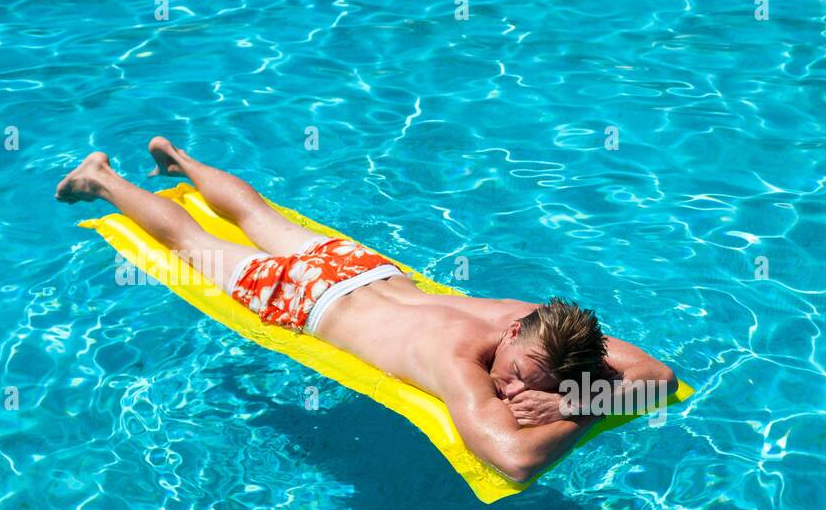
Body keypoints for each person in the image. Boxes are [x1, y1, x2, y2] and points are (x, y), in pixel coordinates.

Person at [57, 139, 676, 481]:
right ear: (514, 332)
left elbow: (660, 375)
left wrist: (571, 395)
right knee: (191, 243)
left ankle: (179, 161)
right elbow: (512, 461)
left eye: (528, 386)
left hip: (363, 268)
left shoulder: (537, 319)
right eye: (515, 372)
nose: (510, 388)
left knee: (257, 214)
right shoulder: (460, 362)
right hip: (300, 296)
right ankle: (103, 178)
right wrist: (585, 409)